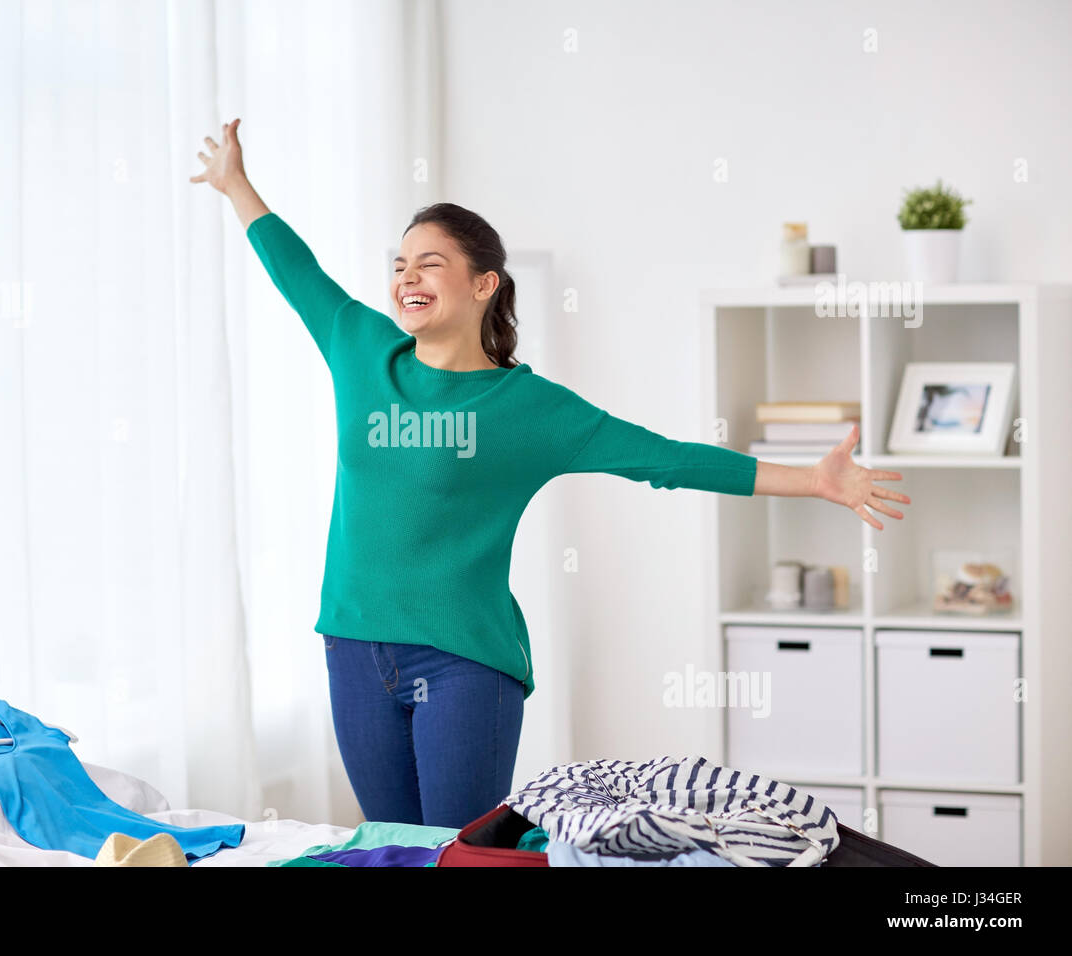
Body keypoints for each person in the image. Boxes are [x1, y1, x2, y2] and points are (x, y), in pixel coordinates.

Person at [190, 118, 911, 829]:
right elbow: (297, 270)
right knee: (397, 850)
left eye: (430, 263)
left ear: (483, 285)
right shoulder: (360, 348)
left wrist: (814, 480)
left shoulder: (525, 406)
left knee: (460, 853)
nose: (407, 276)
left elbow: (662, 457)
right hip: (353, 649)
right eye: (401, 264)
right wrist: (235, 185)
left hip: (463, 663)